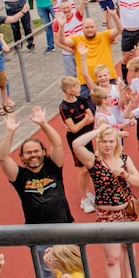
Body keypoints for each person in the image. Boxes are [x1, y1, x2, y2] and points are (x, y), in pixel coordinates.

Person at [0, 107, 70, 278]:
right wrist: (10, 131)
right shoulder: (20, 176)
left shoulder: (53, 167)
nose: (33, 155)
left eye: (36, 151)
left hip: (64, 226)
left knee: (70, 263)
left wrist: (43, 124)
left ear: (43, 152)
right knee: (47, 268)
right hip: (38, 232)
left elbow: (58, 144)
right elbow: (3, 158)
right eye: (28, 152)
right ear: (22, 157)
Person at [70, 125, 139, 278]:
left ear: (116, 142)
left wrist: (125, 175)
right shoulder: (93, 161)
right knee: (112, 258)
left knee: (129, 248)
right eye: (104, 141)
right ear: (98, 142)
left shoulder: (124, 158)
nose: (108, 145)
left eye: (111, 141)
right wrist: (99, 130)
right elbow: (76, 144)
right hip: (107, 215)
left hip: (127, 211)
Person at [59, 76, 97, 214]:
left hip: (87, 137)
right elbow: (73, 129)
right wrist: (85, 120)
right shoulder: (64, 107)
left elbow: (91, 118)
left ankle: (88, 192)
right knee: (83, 169)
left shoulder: (81, 100)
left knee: (90, 166)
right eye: (76, 87)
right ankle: (83, 199)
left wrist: (83, 121)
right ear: (68, 91)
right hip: (76, 141)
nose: (79, 88)